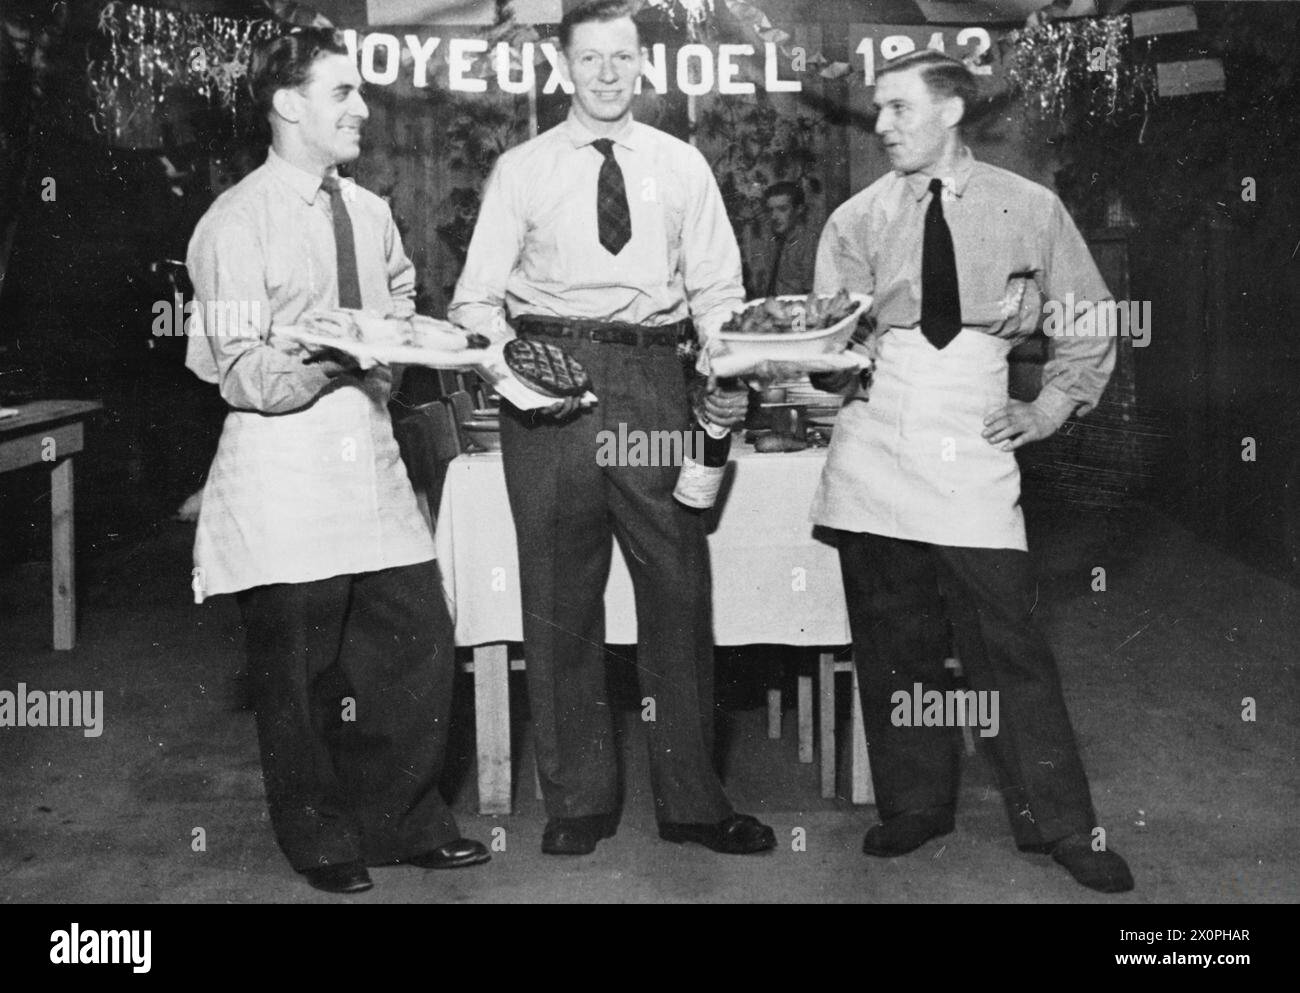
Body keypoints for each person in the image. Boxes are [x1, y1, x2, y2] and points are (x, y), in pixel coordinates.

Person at [449, 0, 775, 858]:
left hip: (653, 380)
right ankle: (578, 799)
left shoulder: (681, 165)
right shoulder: (520, 171)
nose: (605, 74)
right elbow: (475, 301)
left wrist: (722, 369)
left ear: (642, 67)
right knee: (559, 595)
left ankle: (695, 802)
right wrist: (513, 373)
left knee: (677, 583)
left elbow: (717, 292)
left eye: (621, 59)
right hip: (546, 380)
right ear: (563, 69)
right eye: (589, 59)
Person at [810, 50, 1134, 893]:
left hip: (976, 434)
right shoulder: (856, 219)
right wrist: (827, 359)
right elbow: (824, 342)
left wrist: (1052, 407)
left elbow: (1088, 316)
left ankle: (1060, 822)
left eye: (897, 108)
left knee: (1010, 643)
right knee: (893, 639)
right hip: (876, 437)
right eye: (876, 110)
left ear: (950, 110)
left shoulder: (1029, 208)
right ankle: (916, 804)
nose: (881, 126)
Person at [185, 28, 488, 894]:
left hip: (372, 462)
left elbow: (397, 293)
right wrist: (334, 352)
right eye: (342, 92)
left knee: (418, 643)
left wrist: (384, 342)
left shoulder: (366, 209)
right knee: (299, 669)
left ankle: (403, 819)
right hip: (282, 472)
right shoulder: (235, 222)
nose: (362, 108)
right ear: (288, 105)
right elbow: (243, 374)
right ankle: (317, 837)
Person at [745, 180, 816, 298]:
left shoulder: (809, 244)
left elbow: (812, 294)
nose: (774, 216)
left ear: (799, 209)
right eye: (770, 210)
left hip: (795, 312)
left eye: (782, 209)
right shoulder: (772, 239)